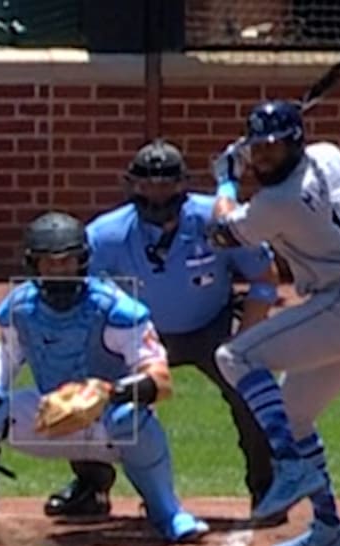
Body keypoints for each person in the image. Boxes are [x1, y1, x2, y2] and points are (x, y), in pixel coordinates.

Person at [43, 139, 283, 525]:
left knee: (251, 388)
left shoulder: (216, 221)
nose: (156, 193)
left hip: (212, 325)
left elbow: (264, 277)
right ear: (132, 185)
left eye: (166, 184)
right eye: (147, 184)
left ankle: (267, 489)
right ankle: (91, 484)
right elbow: (79, 291)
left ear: (182, 184)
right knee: (84, 387)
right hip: (137, 335)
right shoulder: (105, 235)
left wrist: (247, 340)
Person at [0, 210, 210, 545]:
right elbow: (7, 357)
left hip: (105, 426)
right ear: (34, 265)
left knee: (133, 419)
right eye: (50, 264)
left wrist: (108, 393)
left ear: (82, 262)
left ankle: (167, 512)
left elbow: (161, 381)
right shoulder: (19, 309)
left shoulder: (116, 310)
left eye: (67, 262)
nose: (59, 271)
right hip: (48, 417)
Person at [207, 99, 340, 546]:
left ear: (296, 144)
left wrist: (226, 178)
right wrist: (259, 147)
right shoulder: (328, 155)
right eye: (259, 150)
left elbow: (223, 231)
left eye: (274, 149)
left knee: (234, 357)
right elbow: (325, 158)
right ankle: (330, 529)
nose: (265, 158)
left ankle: (289, 467)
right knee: (294, 415)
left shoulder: (279, 202)